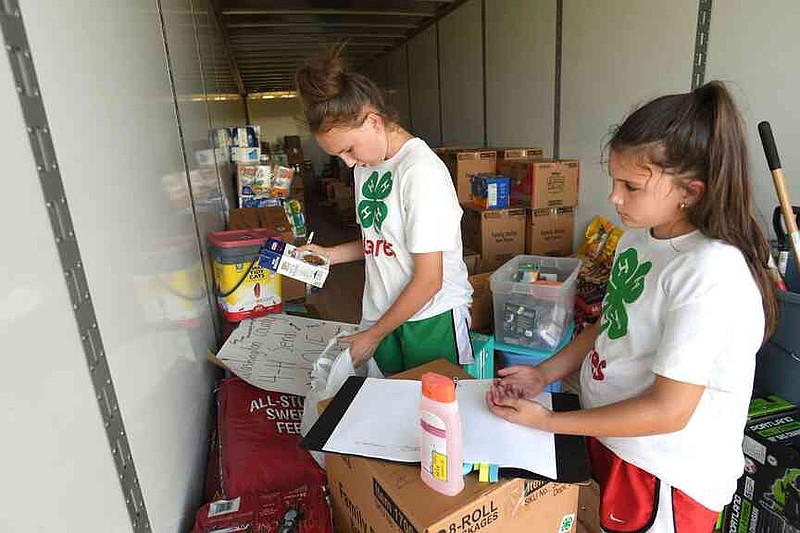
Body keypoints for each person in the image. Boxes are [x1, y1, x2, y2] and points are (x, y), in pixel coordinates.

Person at [487, 81, 777, 532]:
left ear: (691, 192)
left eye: (631, 186)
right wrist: (544, 374)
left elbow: (668, 410)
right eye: (615, 181)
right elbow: (610, 325)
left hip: (663, 468)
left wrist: (546, 423)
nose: (614, 198)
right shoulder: (639, 238)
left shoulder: (710, 271)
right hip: (612, 434)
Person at [294, 46, 473, 373]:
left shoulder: (420, 172)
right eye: (339, 156)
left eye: (348, 149)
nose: (347, 162)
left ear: (374, 122)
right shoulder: (367, 166)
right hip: (381, 312)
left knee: (434, 410)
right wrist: (328, 255)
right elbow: (382, 241)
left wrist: (374, 335)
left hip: (429, 319)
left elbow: (430, 279)